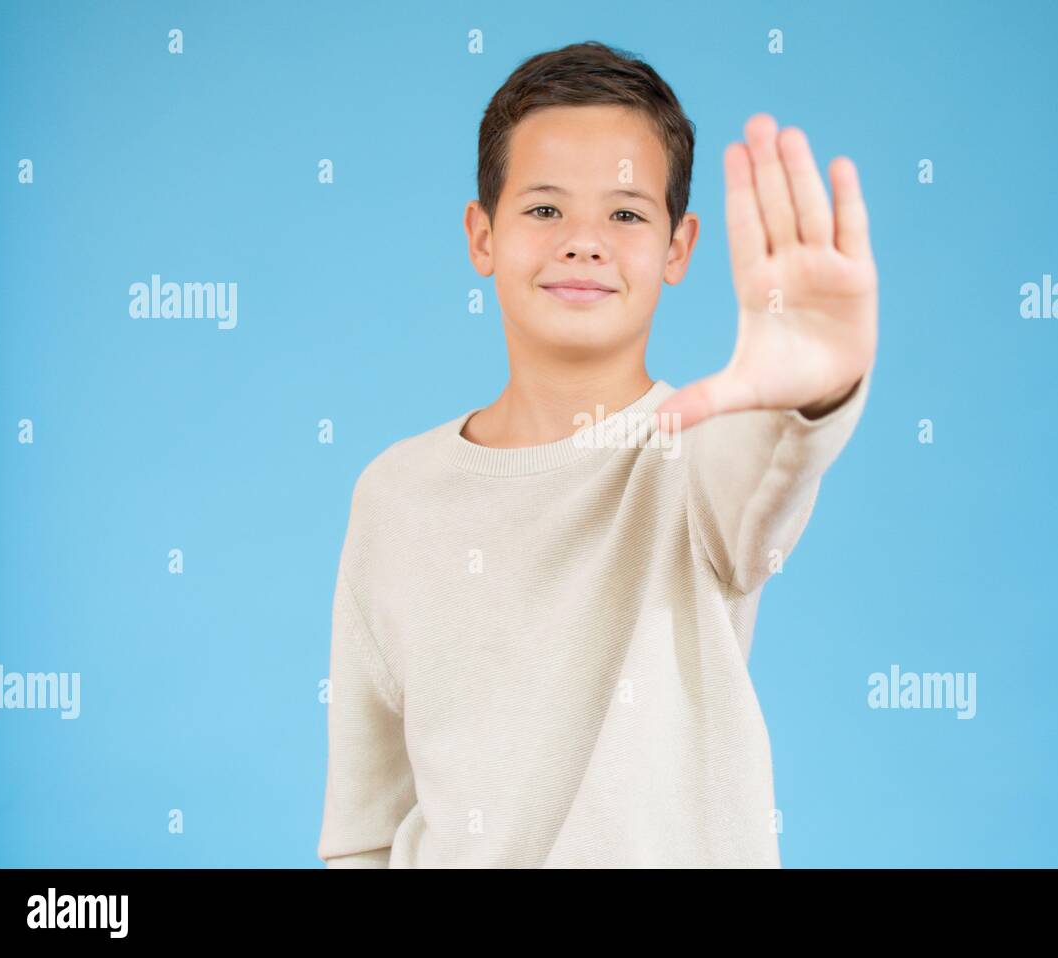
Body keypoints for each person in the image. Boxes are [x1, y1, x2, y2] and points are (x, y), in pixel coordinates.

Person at [317, 39, 877, 868]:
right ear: (482, 235)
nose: (584, 241)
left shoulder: (702, 458)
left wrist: (814, 390)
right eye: (544, 209)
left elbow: (776, 464)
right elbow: (365, 828)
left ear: (679, 247)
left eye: (625, 213)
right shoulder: (395, 494)